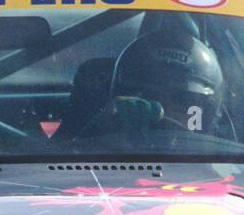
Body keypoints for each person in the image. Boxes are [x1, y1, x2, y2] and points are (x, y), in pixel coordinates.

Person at [81, 29, 225, 141]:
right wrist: (103, 127)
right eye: (148, 98)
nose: (161, 110)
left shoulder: (225, 170)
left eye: (180, 101)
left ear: (205, 115)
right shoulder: (91, 160)